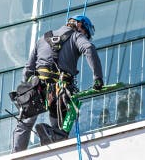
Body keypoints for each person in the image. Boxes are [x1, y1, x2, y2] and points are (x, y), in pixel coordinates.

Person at [12, 15, 104, 153]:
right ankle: (52, 136)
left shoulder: (43, 38)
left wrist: (28, 90)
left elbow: (28, 70)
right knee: (59, 126)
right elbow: (89, 48)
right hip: (60, 90)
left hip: (38, 87)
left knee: (24, 124)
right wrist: (98, 78)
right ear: (79, 26)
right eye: (85, 33)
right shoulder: (76, 36)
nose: (85, 36)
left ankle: (16, 155)